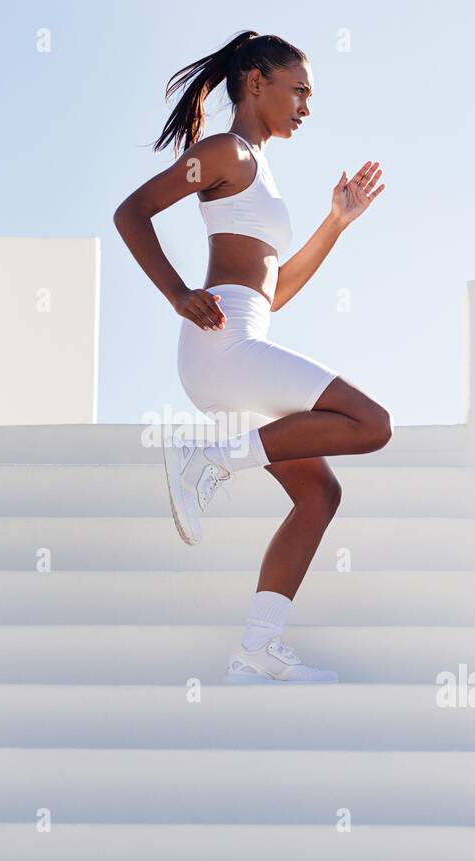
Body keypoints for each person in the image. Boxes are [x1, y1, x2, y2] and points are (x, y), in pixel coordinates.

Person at [113, 30, 390, 684]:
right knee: (372, 422)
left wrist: (335, 223)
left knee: (319, 492)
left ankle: (256, 648)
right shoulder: (225, 152)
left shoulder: (259, 168)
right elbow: (132, 211)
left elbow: (276, 290)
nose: (306, 107)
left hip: (244, 344)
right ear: (256, 82)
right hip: (222, 344)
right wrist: (179, 292)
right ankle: (204, 458)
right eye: (299, 90)